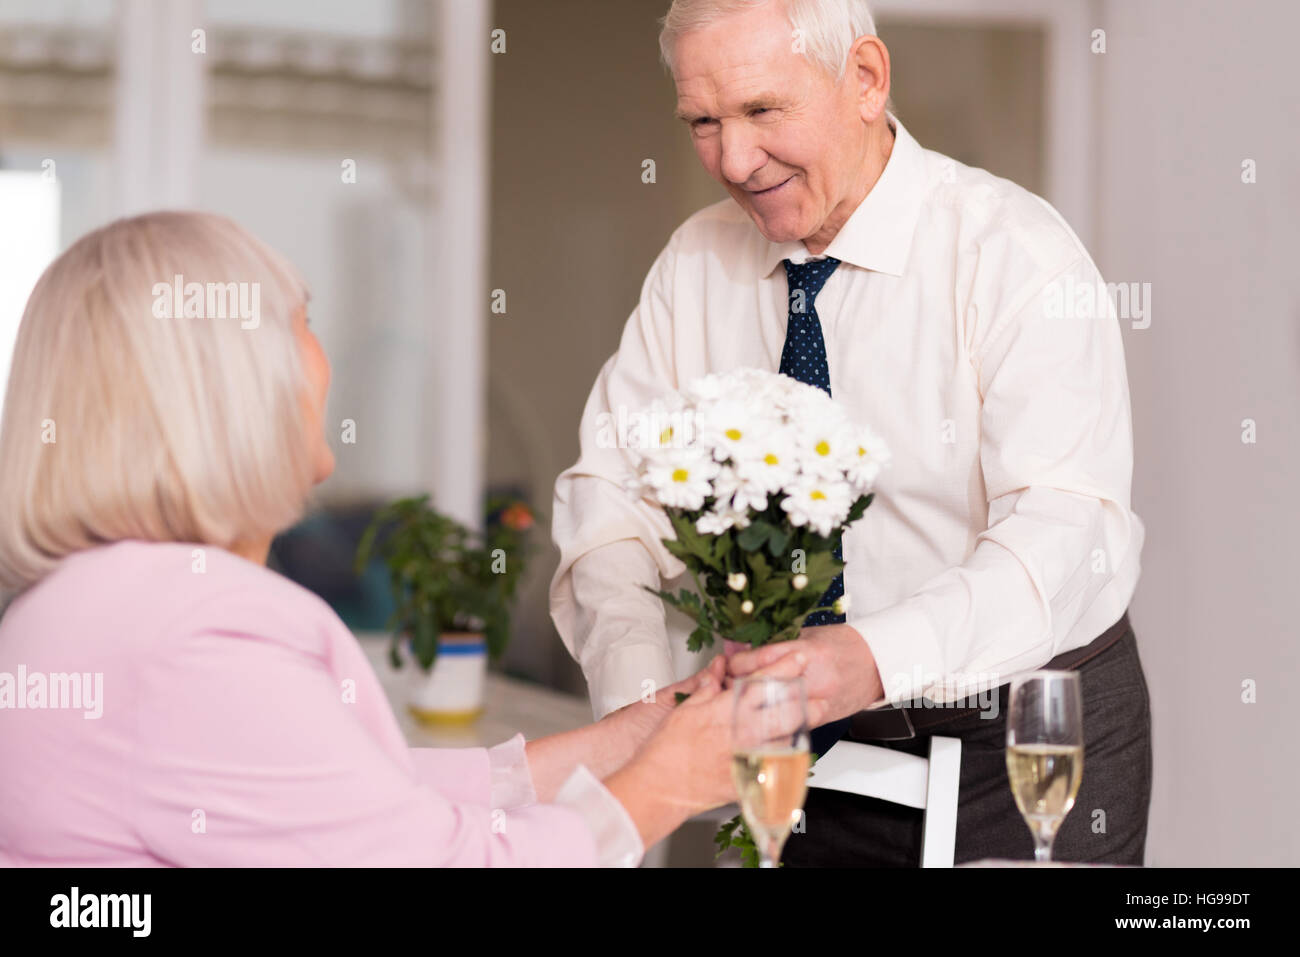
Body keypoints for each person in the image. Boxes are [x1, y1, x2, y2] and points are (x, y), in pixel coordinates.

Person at [0, 210, 818, 867]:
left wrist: (628, 741)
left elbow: (351, 806)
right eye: (303, 322)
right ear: (231, 388)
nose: (322, 354)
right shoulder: (199, 637)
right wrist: (662, 788)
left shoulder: (84, 609)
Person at [549, 0, 1152, 865]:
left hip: (1021, 738)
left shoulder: (1016, 255)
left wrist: (872, 658)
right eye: (703, 123)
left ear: (865, 79)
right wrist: (649, 708)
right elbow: (610, 506)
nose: (733, 158)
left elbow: (1067, 531)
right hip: (795, 744)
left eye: (762, 111)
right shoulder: (693, 266)